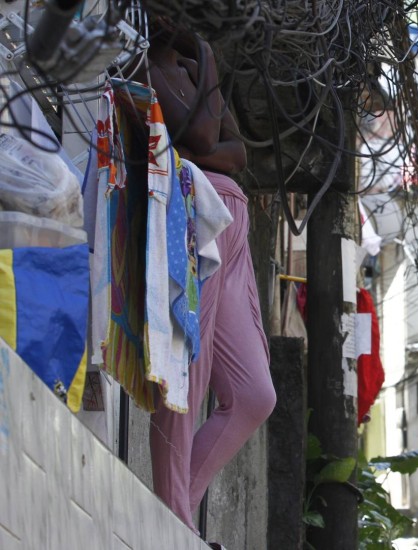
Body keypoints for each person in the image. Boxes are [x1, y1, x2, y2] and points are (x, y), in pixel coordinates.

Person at [145, 21, 277, 532]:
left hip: (233, 215)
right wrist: (207, 57)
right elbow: (205, 137)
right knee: (187, 371)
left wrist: (206, 66)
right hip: (192, 208)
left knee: (253, 396)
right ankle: (174, 519)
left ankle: (173, 515)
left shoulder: (194, 70)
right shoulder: (142, 62)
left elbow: (238, 153)